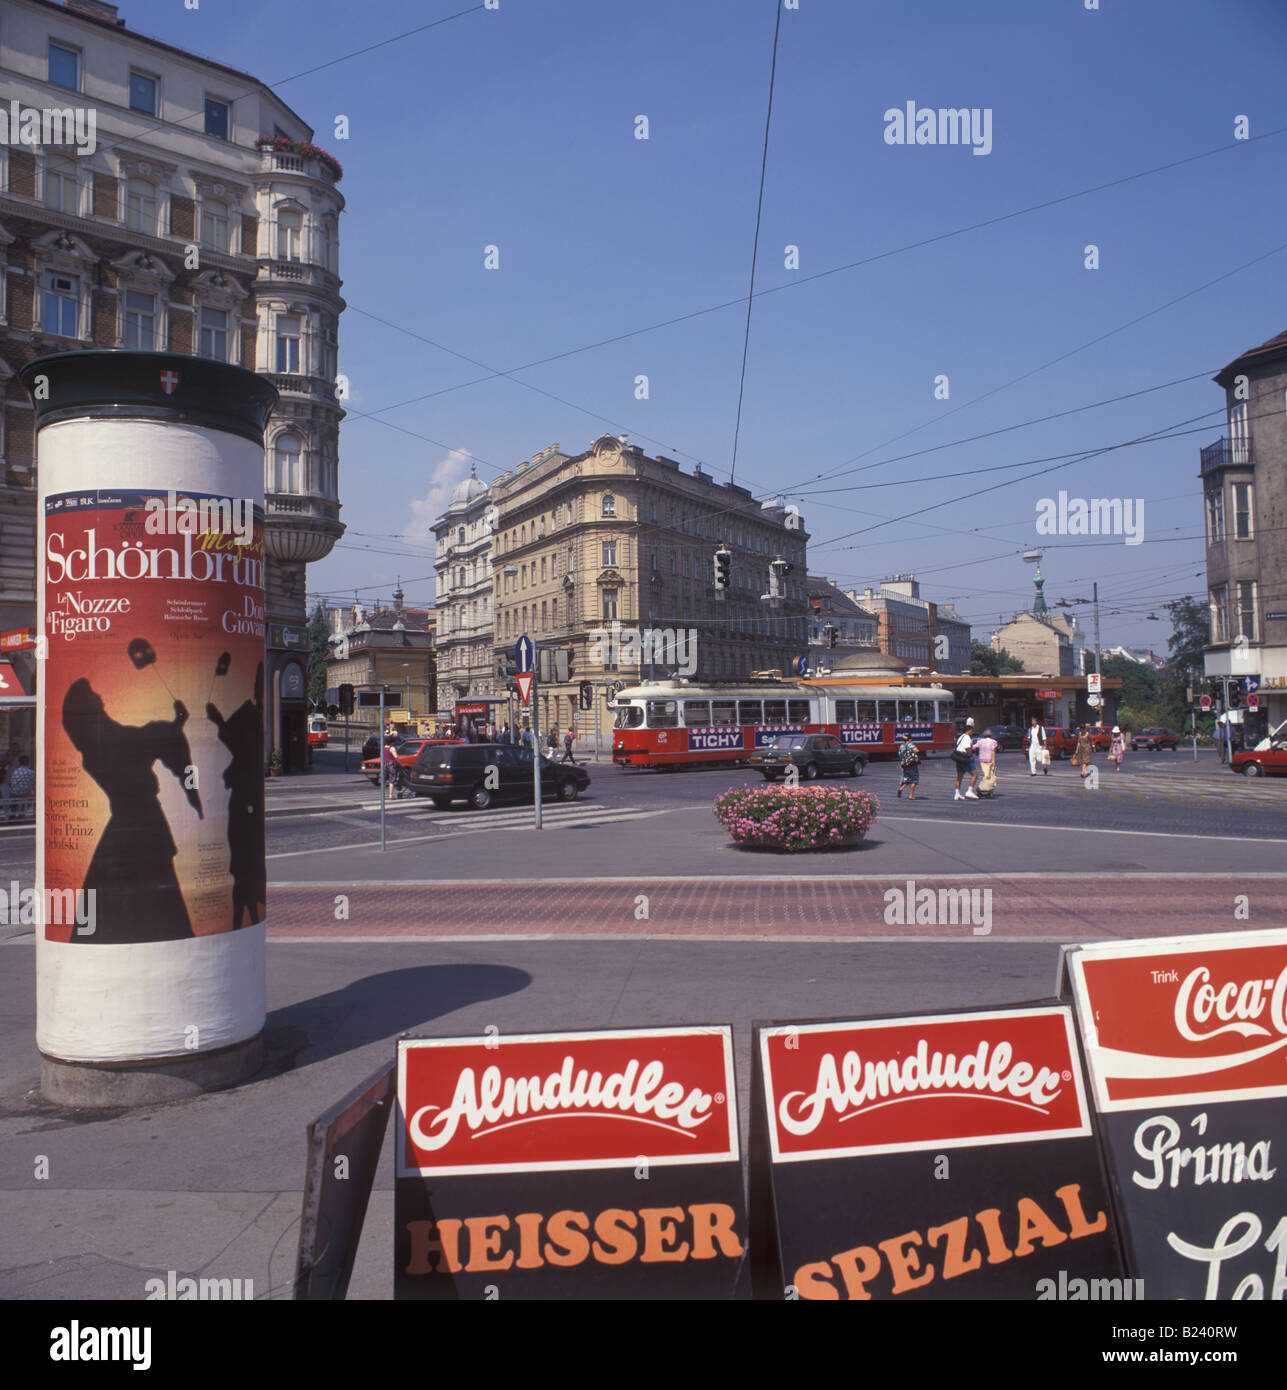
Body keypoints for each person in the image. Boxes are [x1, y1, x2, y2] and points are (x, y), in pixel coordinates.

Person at [953, 718, 980, 800]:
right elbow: (967, 748)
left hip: (958, 758)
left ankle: (957, 794)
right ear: (970, 730)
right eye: (972, 731)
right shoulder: (967, 737)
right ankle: (969, 791)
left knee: (959, 776)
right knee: (975, 774)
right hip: (965, 758)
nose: (973, 733)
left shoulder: (960, 737)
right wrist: (971, 754)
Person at [6, 753, 35, 821]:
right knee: (31, 796)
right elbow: (33, 783)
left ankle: (13, 813)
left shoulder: (14, 772)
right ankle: (21, 814)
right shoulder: (31, 772)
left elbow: (10, 783)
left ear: (19, 762)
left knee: (12, 795)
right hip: (26, 793)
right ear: (28, 762)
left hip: (15, 793)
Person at [896, 730, 920, 800]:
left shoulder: (901, 746)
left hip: (904, 764)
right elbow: (917, 750)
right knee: (914, 779)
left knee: (906, 778)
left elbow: (900, 754)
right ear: (909, 739)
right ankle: (911, 795)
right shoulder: (910, 745)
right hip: (911, 764)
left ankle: (900, 789)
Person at [975, 729, 999, 797]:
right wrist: (994, 760)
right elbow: (993, 751)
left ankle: (985, 789)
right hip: (990, 760)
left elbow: (974, 747)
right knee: (990, 776)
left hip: (982, 760)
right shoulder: (993, 742)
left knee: (987, 775)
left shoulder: (980, 741)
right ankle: (983, 789)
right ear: (991, 735)